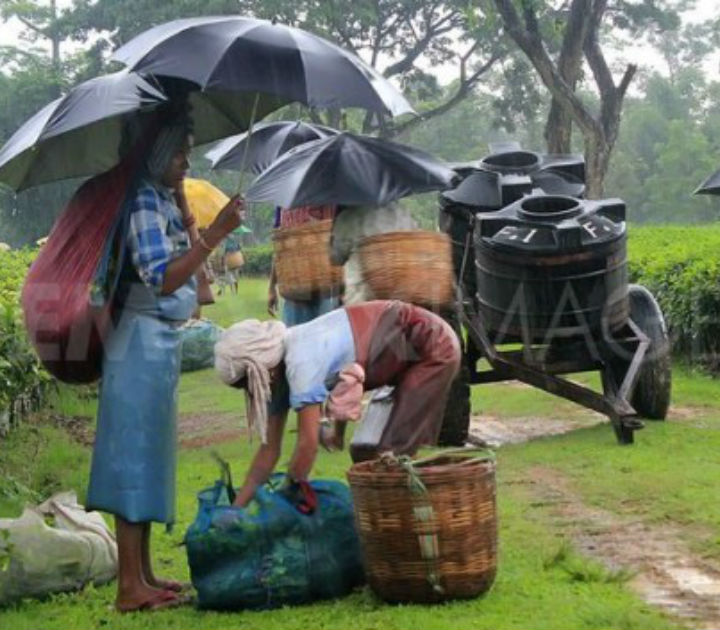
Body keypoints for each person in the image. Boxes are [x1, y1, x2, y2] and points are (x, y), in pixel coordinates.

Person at [87, 117, 244, 612]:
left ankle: (144, 576)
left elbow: (192, 282)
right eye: (180, 153)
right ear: (155, 154)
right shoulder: (139, 202)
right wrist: (215, 233)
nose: (187, 162)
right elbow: (161, 278)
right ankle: (129, 589)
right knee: (133, 460)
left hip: (155, 345)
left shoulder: (158, 198)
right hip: (138, 344)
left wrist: (186, 208)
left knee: (148, 458)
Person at [213, 300, 461, 508]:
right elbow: (269, 450)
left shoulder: (300, 361)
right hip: (399, 361)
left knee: (390, 459)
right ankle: (388, 526)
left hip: (429, 345)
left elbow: (307, 445)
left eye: (247, 384)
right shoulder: (279, 374)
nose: (250, 392)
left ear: (260, 368)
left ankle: (411, 529)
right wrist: (237, 510)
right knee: (365, 453)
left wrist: (289, 494)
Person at [329, 202, 418, 304]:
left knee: (359, 317)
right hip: (397, 287)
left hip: (361, 289)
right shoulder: (402, 212)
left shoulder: (348, 217)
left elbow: (336, 256)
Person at [267, 204, 339, 325]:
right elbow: (280, 249)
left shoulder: (327, 199)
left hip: (321, 289)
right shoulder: (283, 204)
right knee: (295, 337)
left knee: (320, 336)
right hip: (295, 290)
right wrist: (271, 287)